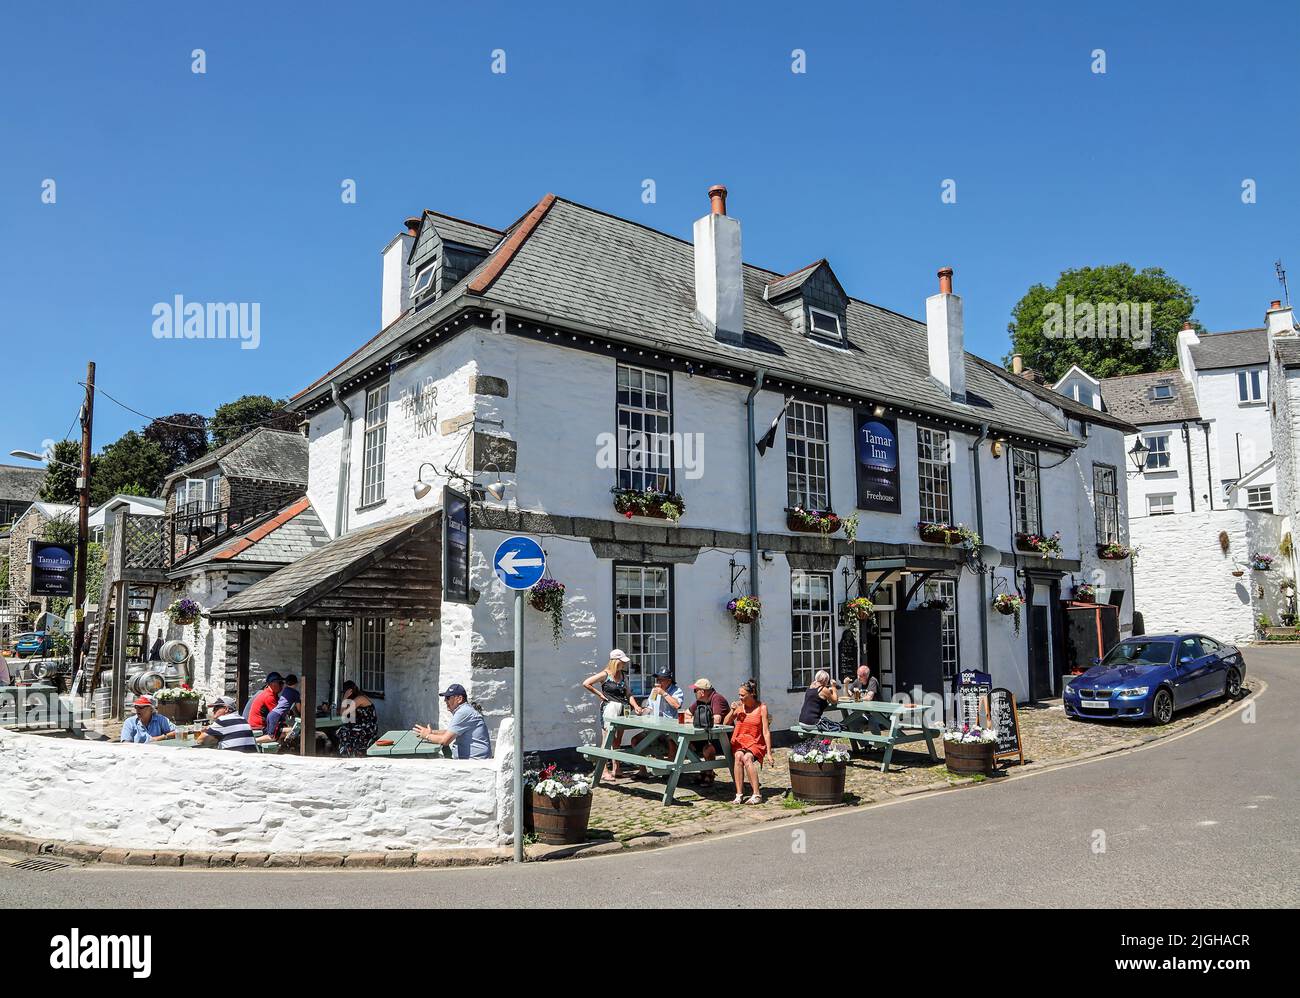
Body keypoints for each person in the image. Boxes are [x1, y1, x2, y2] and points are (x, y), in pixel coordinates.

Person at [581, 649, 642, 779]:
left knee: (617, 740)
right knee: (608, 739)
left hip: (623, 708)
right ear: (615, 661)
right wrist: (600, 695)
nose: (624, 664)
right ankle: (604, 770)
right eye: (622, 662)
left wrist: (636, 706)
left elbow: (628, 694)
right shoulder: (605, 674)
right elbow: (586, 683)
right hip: (610, 709)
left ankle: (617, 768)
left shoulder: (623, 676)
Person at [413, 684, 492, 759]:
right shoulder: (465, 710)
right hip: (473, 761)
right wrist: (432, 732)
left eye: (448, 698)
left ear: (459, 699)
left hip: (473, 762)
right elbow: (450, 732)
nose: (445, 701)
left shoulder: (463, 712)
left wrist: (427, 736)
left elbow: (445, 741)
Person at [724, 680, 771, 804]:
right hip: (740, 742)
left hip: (756, 742)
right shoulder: (739, 707)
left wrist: (769, 753)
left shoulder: (762, 708)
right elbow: (725, 723)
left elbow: (766, 731)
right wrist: (731, 710)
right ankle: (739, 794)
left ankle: (757, 794)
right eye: (739, 695)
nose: (740, 697)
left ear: (752, 693)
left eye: (743, 695)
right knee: (738, 756)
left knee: (747, 758)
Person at [689, 678, 730, 787]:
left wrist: (696, 719)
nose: (694, 693)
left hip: (723, 737)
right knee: (682, 742)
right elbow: (687, 714)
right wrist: (696, 719)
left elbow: (717, 719)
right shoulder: (700, 701)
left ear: (702, 692)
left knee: (708, 748)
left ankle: (708, 774)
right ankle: (704, 771)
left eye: (695, 690)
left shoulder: (717, 699)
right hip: (707, 735)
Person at [335, 680, 378, 756]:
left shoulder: (360, 699)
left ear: (350, 691)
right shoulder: (355, 699)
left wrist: (345, 698)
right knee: (343, 729)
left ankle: (348, 754)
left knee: (345, 732)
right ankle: (348, 753)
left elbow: (343, 713)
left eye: (344, 692)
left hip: (368, 727)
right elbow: (347, 715)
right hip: (362, 725)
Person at [264, 673, 301, 738]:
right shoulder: (295, 693)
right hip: (276, 716)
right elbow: (299, 708)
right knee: (271, 737)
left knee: (276, 734)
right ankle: (254, 741)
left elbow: (285, 703)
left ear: (286, 683)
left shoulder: (285, 690)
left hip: (271, 714)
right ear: (296, 683)